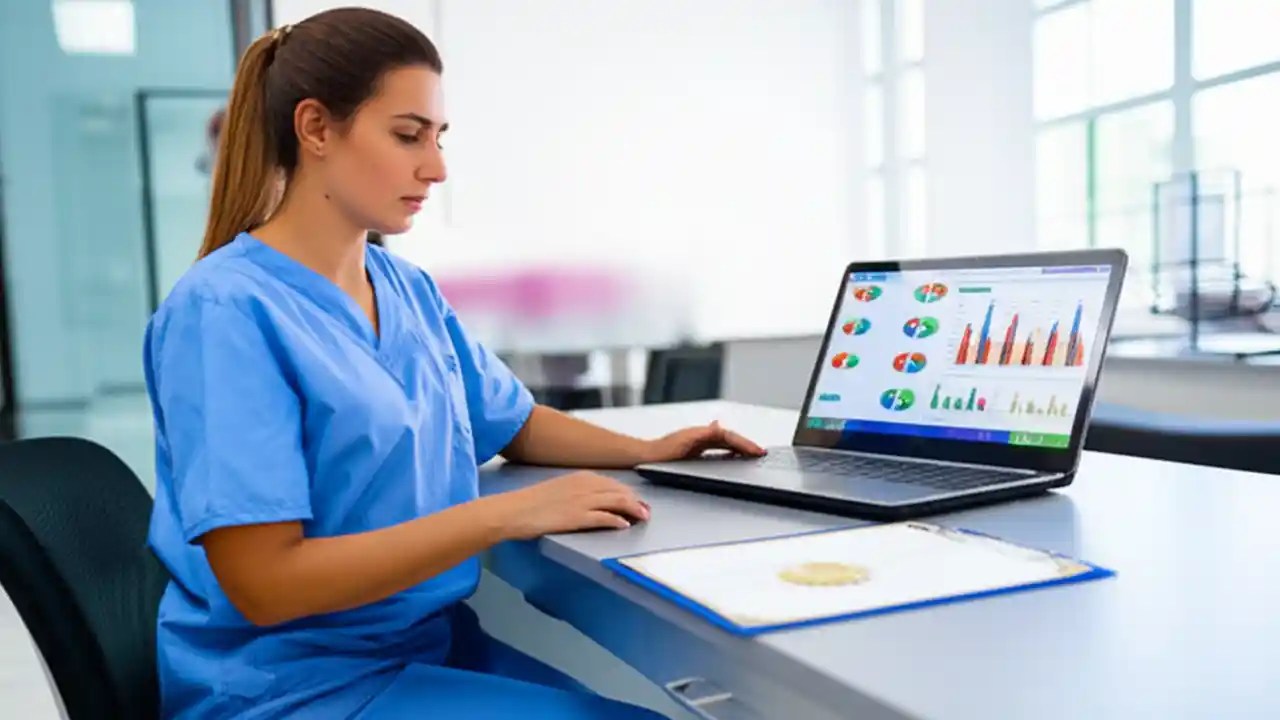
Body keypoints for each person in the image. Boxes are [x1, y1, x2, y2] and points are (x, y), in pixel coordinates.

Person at [143, 8, 764, 719]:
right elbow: (265, 584)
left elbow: (514, 421)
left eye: (437, 138)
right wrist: (498, 515)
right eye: (407, 136)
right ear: (315, 129)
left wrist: (647, 450)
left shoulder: (405, 288)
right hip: (294, 684)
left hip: (426, 646)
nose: (435, 168)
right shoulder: (223, 313)